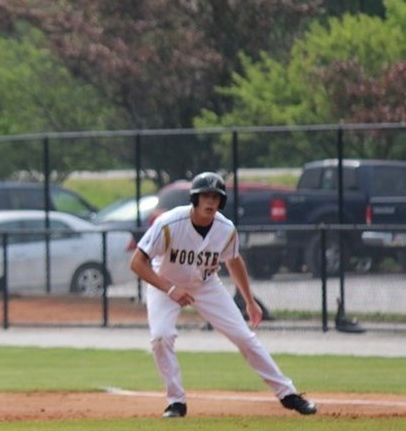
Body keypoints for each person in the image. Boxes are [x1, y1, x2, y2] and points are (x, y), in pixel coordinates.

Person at [129, 171, 317, 418]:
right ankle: (176, 402)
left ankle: (288, 394)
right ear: (194, 199)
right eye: (205, 196)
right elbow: (137, 262)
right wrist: (171, 289)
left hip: (206, 285)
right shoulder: (169, 223)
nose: (211, 202)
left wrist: (249, 301)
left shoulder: (225, 229)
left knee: (244, 337)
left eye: (216, 197)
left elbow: (234, 260)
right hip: (165, 284)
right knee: (161, 337)